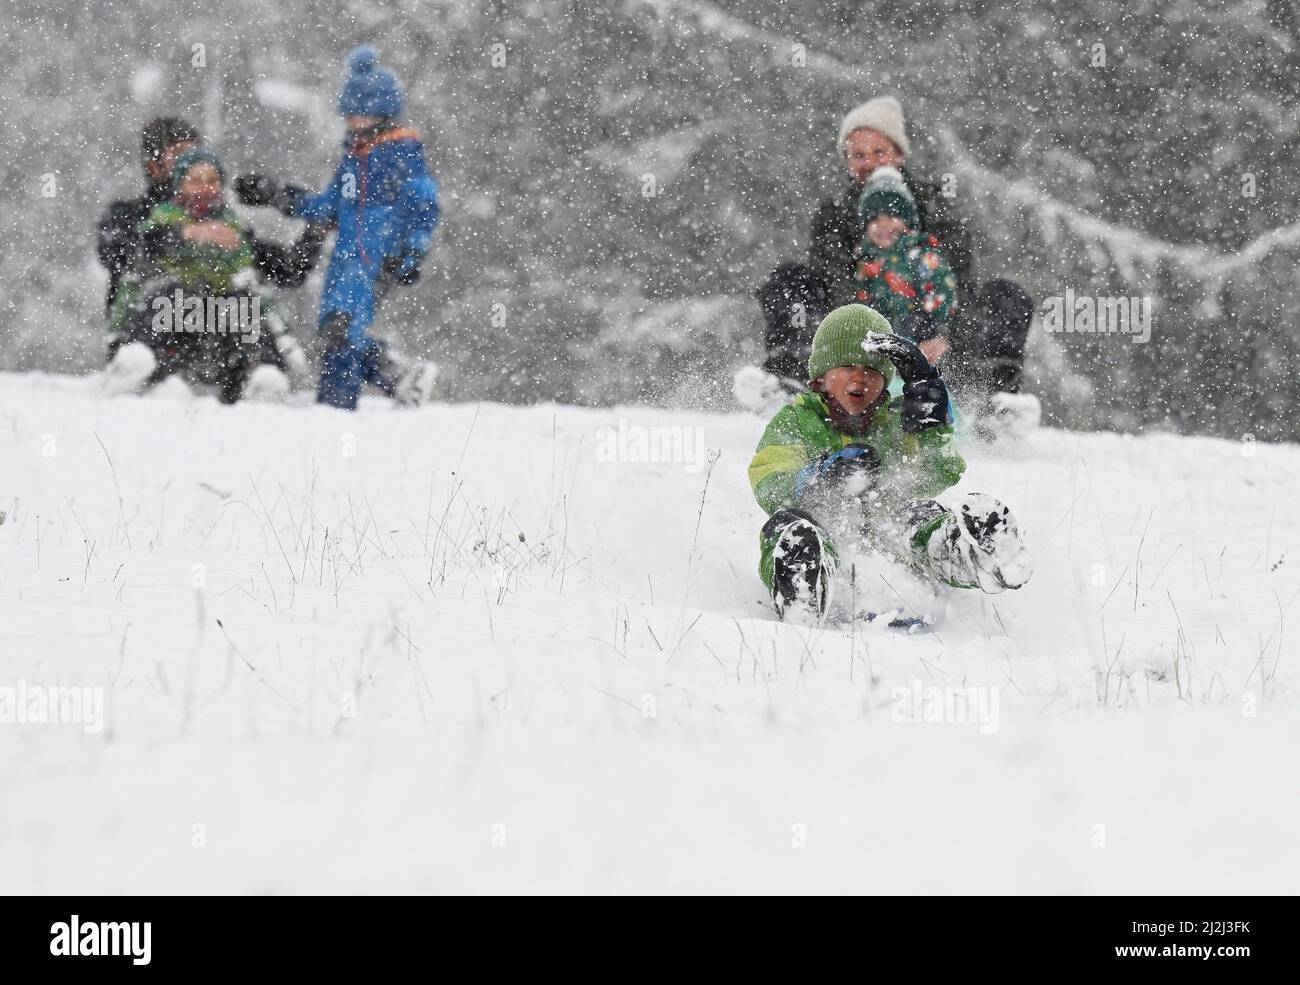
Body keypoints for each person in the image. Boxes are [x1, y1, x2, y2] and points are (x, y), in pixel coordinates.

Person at [752, 96, 1035, 416]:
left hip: (936, 337)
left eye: (879, 152)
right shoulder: (835, 217)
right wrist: (871, 337)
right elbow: (833, 284)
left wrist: (940, 336)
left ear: (899, 155)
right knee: (791, 281)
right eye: (858, 155)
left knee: (1005, 296)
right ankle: (789, 385)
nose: (868, 163)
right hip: (859, 336)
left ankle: (996, 404)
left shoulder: (936, 206)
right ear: (846, 161)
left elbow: (958, 282)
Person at [747, 304, 1031, 621]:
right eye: (847, 367)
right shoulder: (799, 420)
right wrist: (819, 476)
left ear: (886, 382)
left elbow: (938, 473)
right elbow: (770, 480)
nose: (859, 377)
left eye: (871, 371)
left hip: (893, 542)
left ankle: (972, 551)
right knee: (790, 528)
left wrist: (930, 424)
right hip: (827, 538)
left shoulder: (896, 421)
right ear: (822, 377)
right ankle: (802, 589)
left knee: (919, 516)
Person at [236, 46, 439, 410]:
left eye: (357, 113)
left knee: (341, 330)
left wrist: (412, 251)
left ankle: (336, 408)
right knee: (337, 327)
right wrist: (277, 196)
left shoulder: (400, 153)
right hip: (347, 255)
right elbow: (329, 207)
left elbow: (423, 204)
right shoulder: (354, 158)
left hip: (377, 253)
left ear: (380, 112)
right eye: (348, 113)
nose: (349, 120)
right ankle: (396, 374)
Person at [105, 149, 321, 403]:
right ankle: (143, 368)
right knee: (172, 298)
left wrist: (314, 235)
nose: (204, 188)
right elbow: (142, 249)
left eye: (211, 181)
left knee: (245, 306)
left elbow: (286, 271)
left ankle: (261, 374)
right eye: (195, 181)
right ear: (179, 186)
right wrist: (188, 234)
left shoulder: (236, 229)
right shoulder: (161, 220)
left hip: (220, 330)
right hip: (174, 322)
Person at [97, 117, 199, 320]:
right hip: (146, 335)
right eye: (181, 156)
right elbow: (121, 252)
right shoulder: (126, 216)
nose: (192, 165)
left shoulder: (219, 218)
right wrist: (185, 235)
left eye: (197, 156)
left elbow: (271, 266)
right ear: (154, 166)